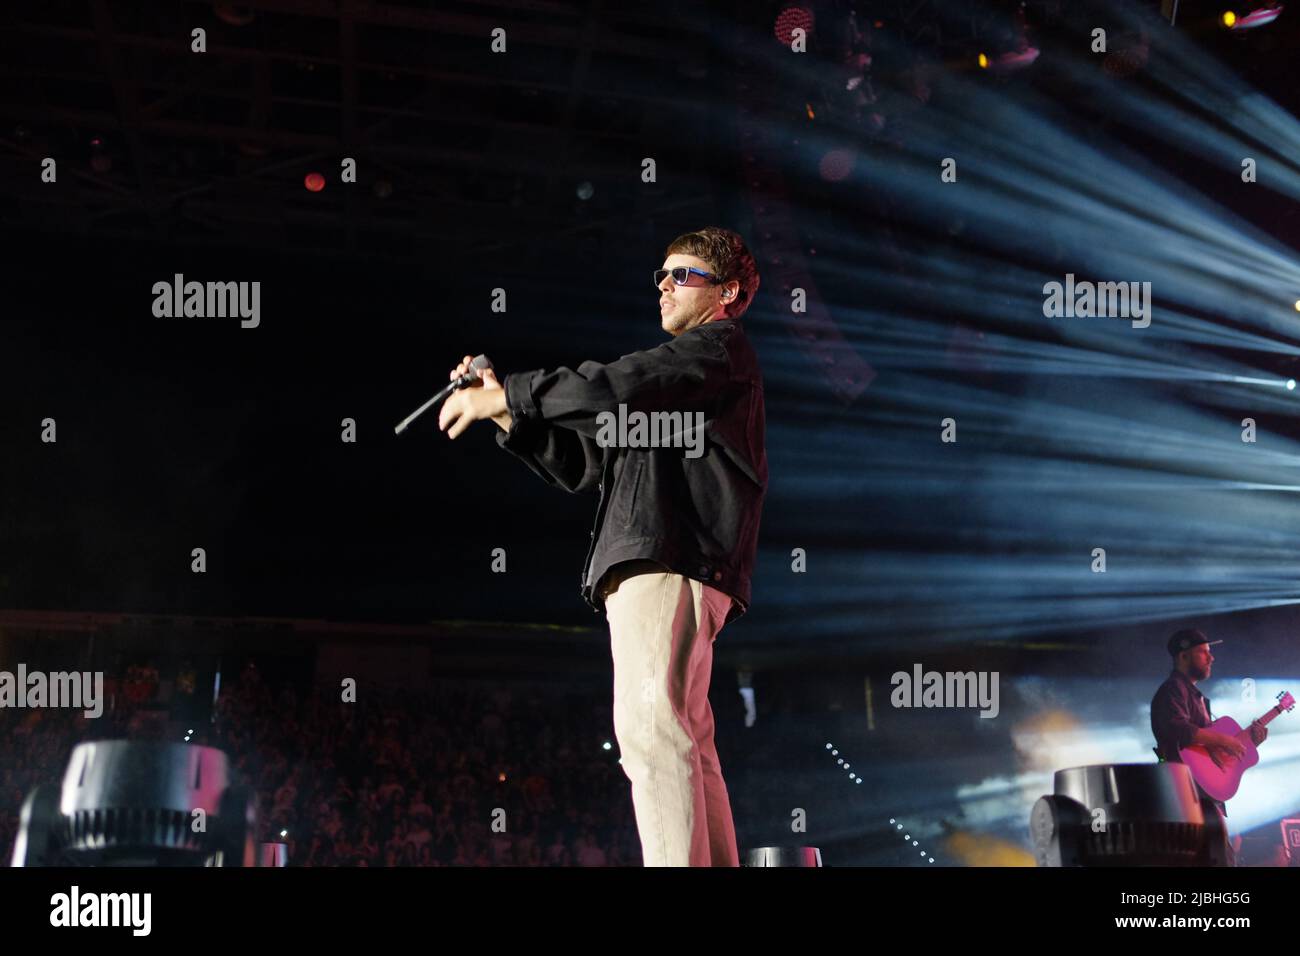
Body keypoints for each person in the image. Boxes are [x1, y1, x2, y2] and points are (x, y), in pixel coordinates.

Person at [438, 227, 766, 866]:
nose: (666, 285)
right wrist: (506, 411)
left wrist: (511, 393)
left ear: (727, 293)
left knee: (652, 733)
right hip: (675, 563)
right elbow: (582, 464)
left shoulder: (713, 350)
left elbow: (619, 383)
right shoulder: (690, 385)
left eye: (684, 275)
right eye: (662, 275)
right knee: (684, 739)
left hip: (669, 560)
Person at [1150, 628, 1267, 865]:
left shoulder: (1195, 697)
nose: (1211, 657)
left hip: (1200, 797)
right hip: (1187, 796)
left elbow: (1208, 750)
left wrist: (1248, 742)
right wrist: (1225, 740)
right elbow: (1178, 731)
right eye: (1203, 652)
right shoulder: (1173, 689)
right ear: (1183, 656)